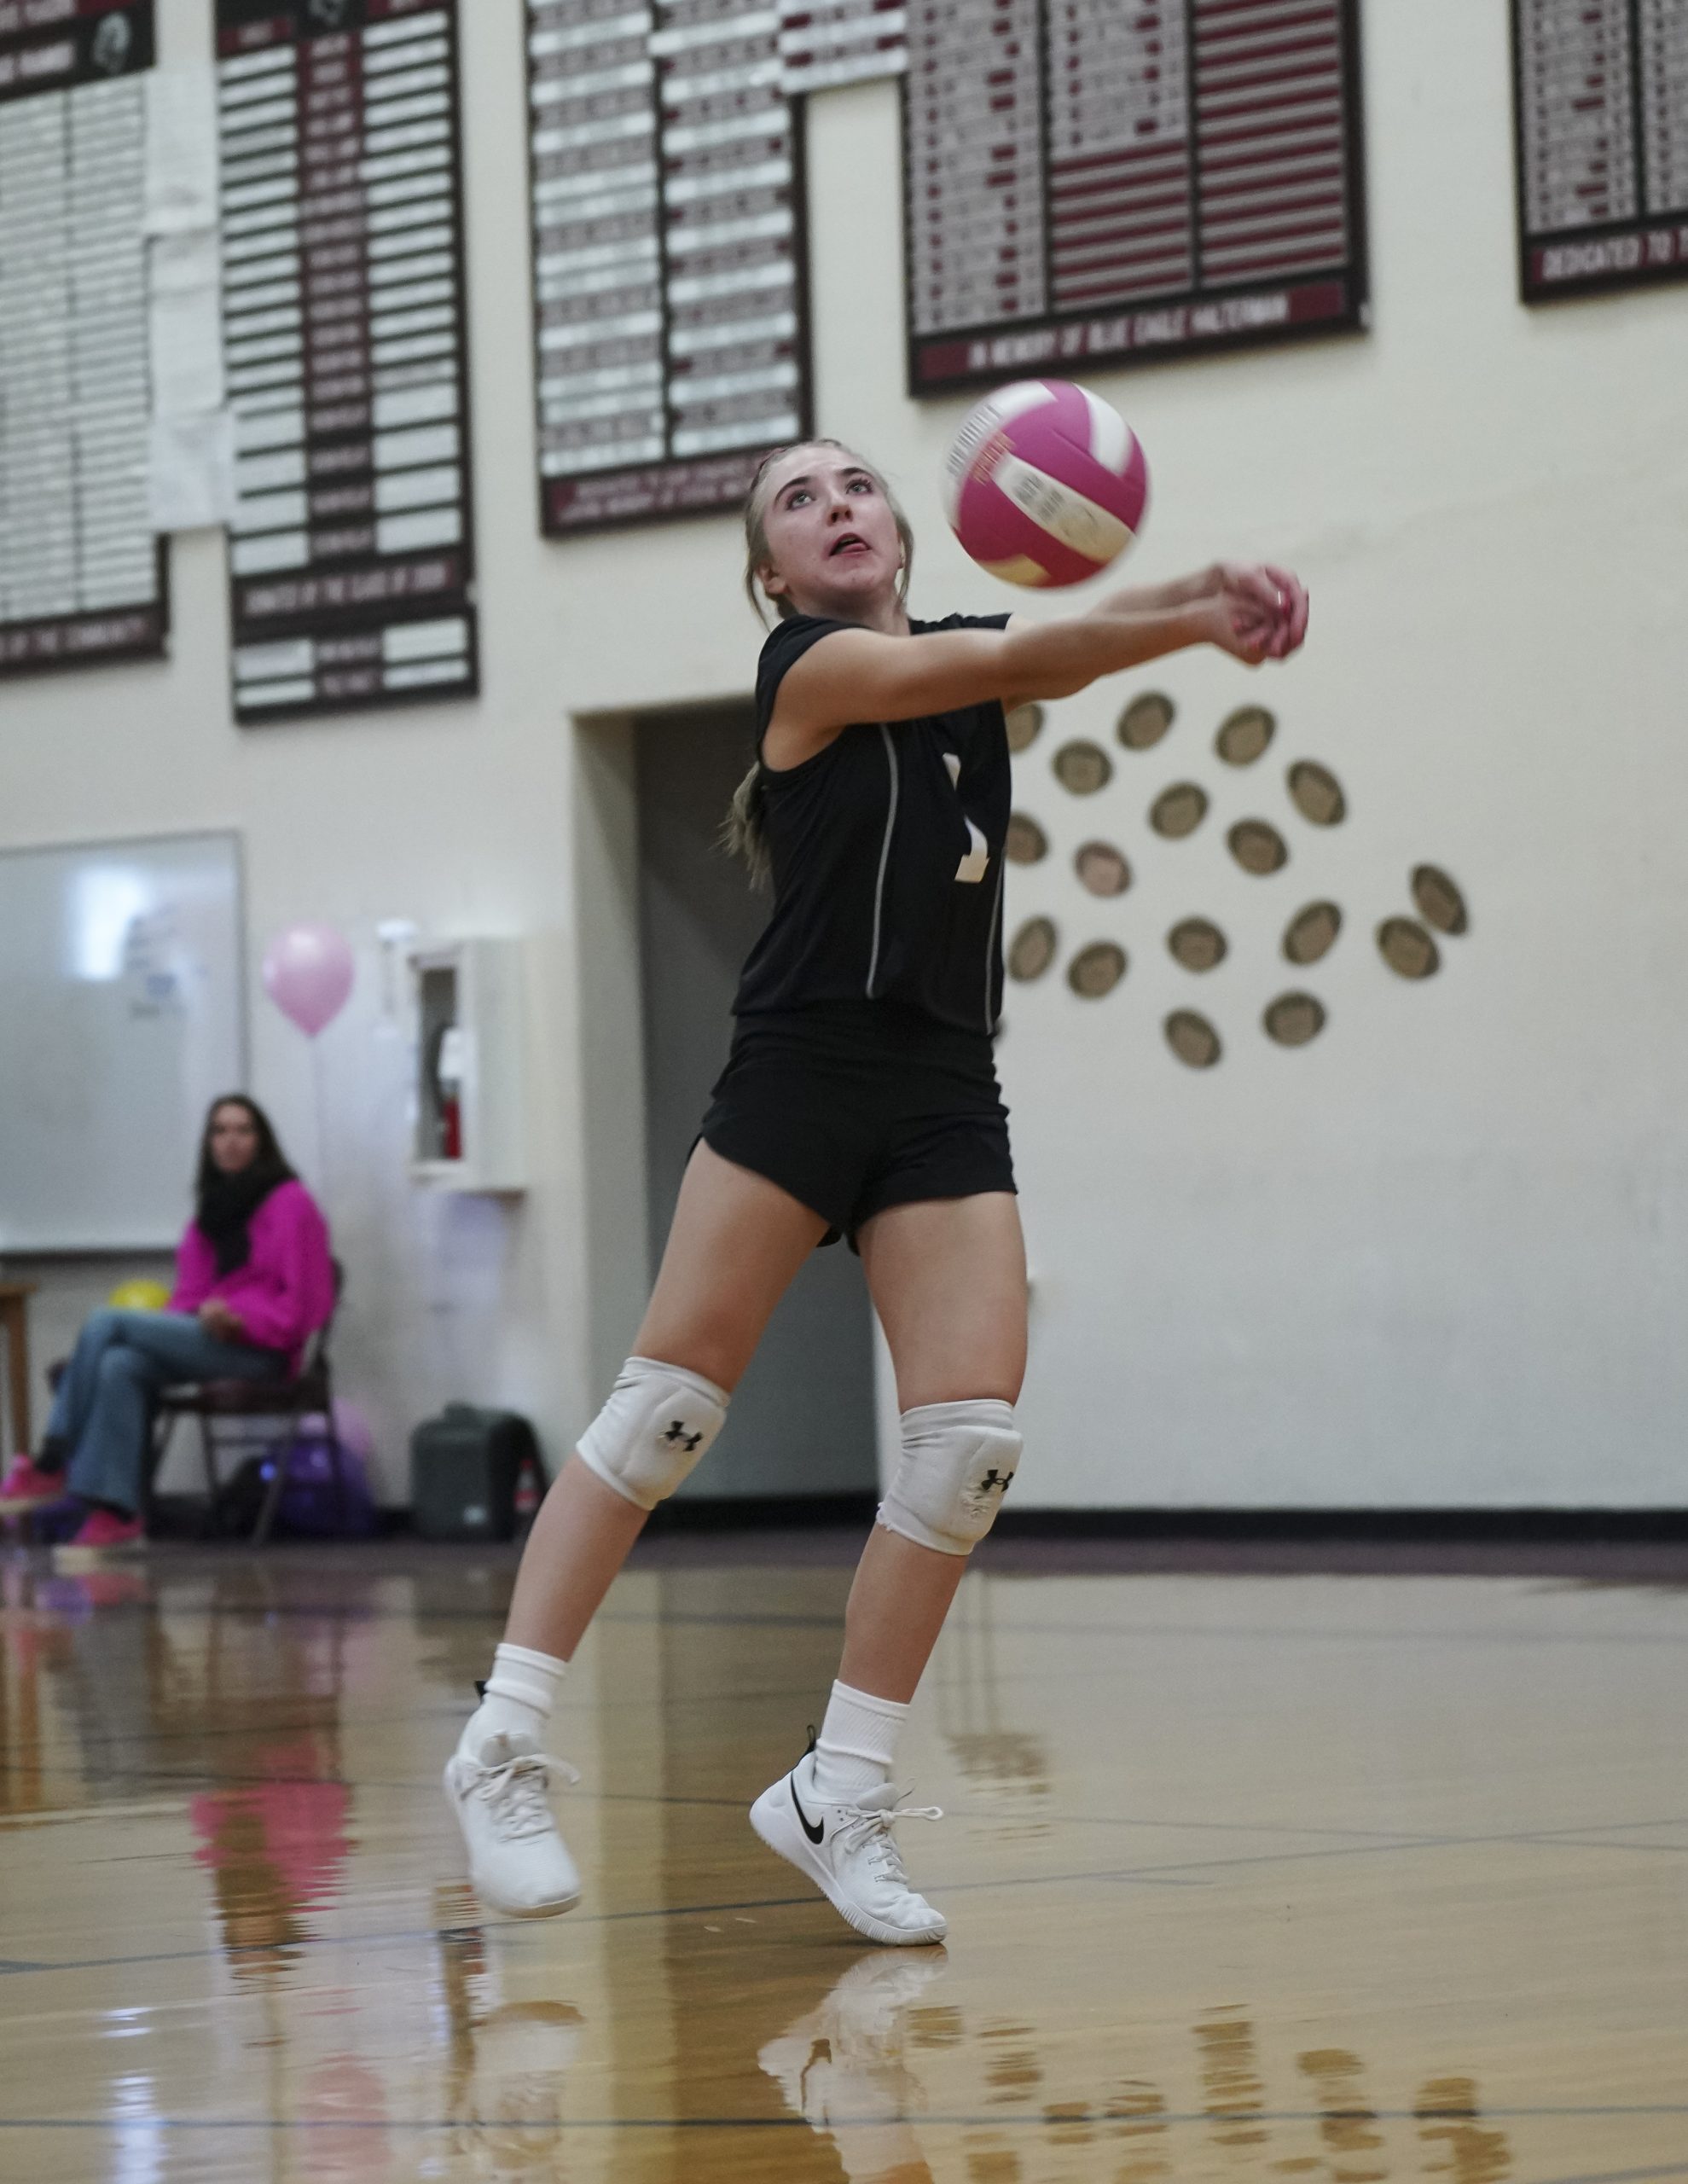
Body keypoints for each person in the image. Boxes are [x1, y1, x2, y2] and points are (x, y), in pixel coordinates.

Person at [444, 438, 1308, 1944]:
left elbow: (1047, 651)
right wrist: (1180, 619)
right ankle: (499, 1742)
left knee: (965, 1449)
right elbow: (1049, 649)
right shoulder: (813, 671)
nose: (836, 504)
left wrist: (1208, 589)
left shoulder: (969, 652)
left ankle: (838, 1790)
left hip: (938, 1086)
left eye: (855, 485)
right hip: (799, 1074)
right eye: (798, 498)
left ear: (903, 531)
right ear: (770, 576)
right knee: (662, 1416)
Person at [4, 1095, 336, 1552]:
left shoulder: (292, 1204)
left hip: (265, 1351)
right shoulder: (208, 1215)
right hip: (212, 1339)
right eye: (219, 1131)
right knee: (119, 1364)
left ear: (263, 1141)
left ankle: (53, 1460)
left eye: (243, 1130)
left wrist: (240, 1321)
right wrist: (200, 1316)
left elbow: (304, 1305)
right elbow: (188, 1297)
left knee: (105, 1321)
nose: (230, 1141)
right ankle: (118, 1514)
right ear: (208, 1144)